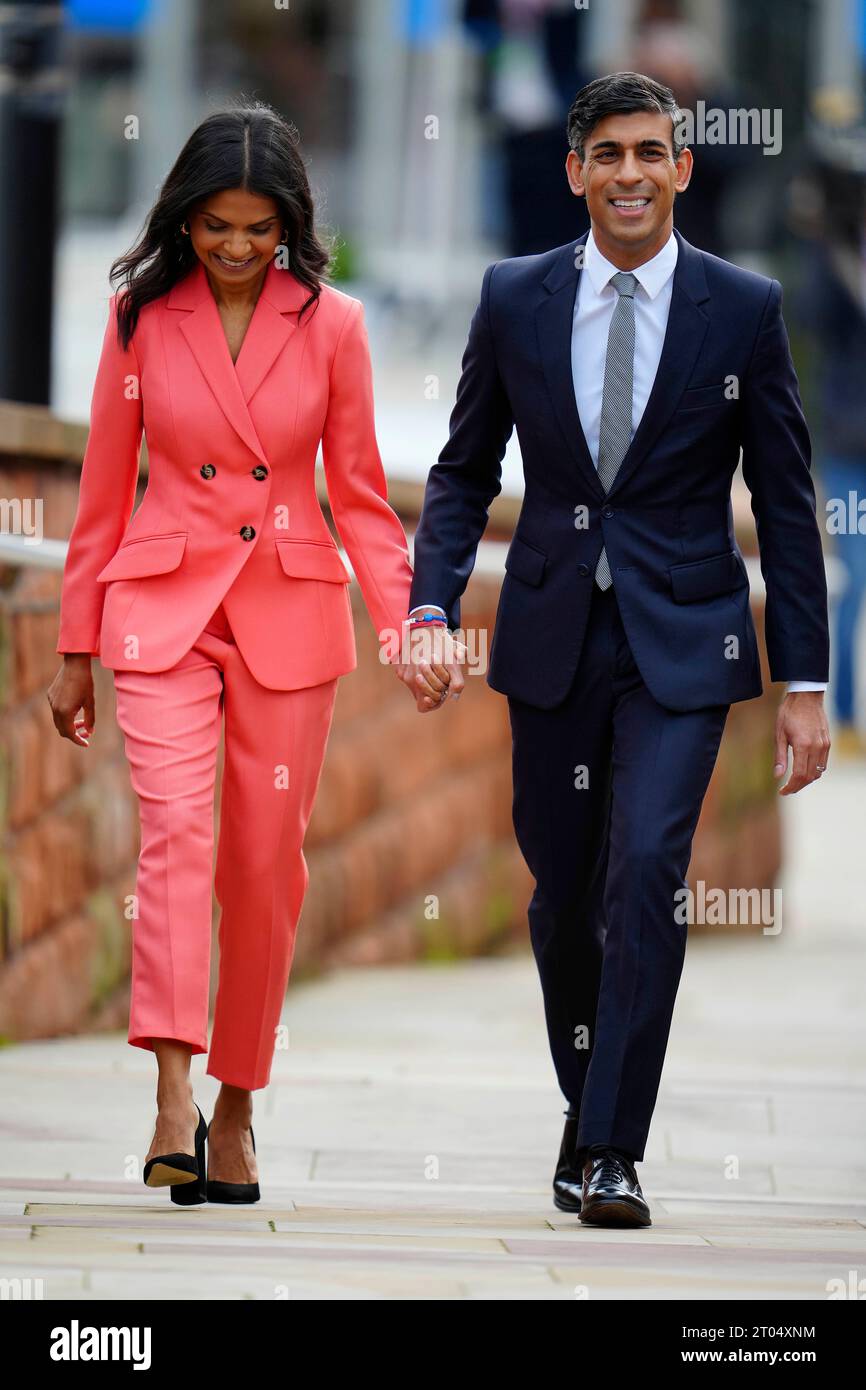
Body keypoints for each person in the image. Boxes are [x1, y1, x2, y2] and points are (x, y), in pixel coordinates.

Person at [407, 72, 831, 1228]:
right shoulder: (514, 298)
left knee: (646, 866)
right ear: (575, 171)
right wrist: (431, 607)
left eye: (652, 153)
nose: (631, 174)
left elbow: (786, 507)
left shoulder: (741, 308)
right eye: (609, 154)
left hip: (683, 640)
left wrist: (804, 683)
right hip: (550, 635)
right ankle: (585, 1097)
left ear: (683, 169)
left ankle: (611, 1148)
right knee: (561, 890)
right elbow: (458, 474)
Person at [48, 103, 440, 1205]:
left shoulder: (334, 327)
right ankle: (172, 1094)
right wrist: (77, 644)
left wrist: (410, 619)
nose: (233, 245)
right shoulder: (138, 319)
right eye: (214, 224)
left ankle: (236, 1104)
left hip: (287, 613)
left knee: (263, 867)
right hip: (160, 610)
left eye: (256, 229)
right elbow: (98, 496)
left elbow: (362, 500)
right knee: (175, 833)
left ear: (289, 226)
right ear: (184, 217)